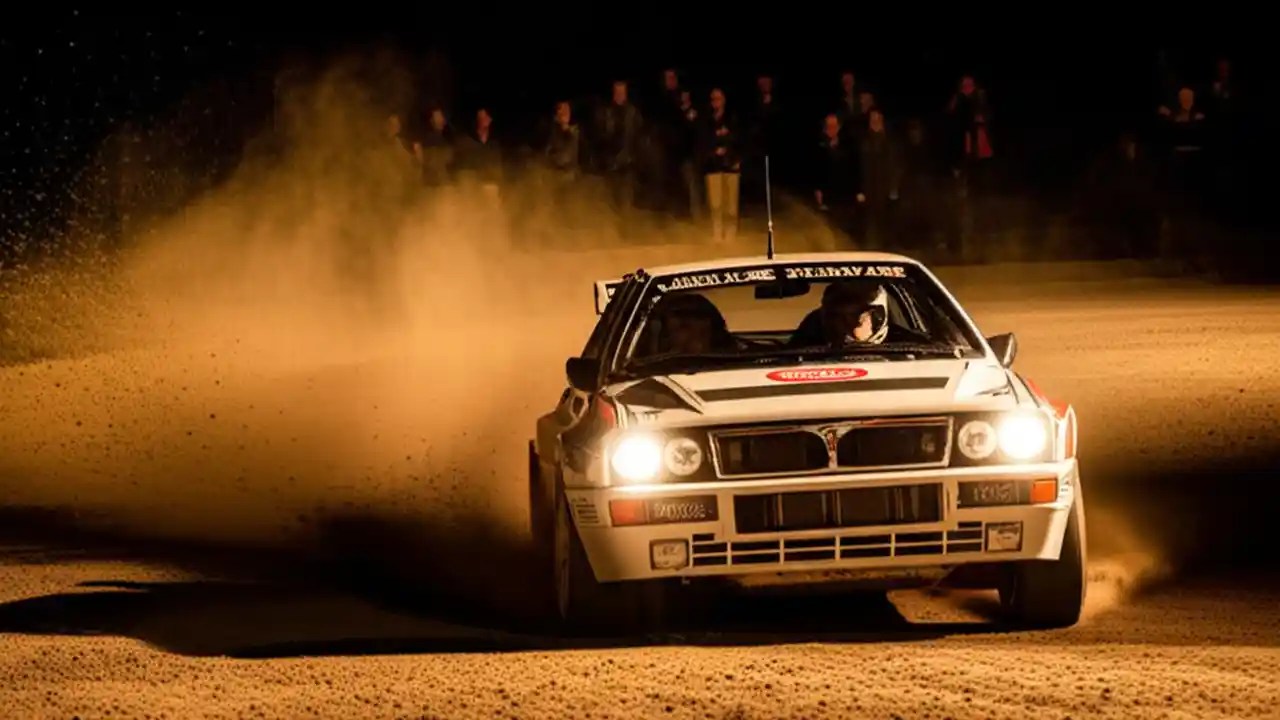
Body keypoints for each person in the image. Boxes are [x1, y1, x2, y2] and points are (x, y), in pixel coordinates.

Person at [788, 280, 890, 347]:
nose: (842, 324)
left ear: (877, 318)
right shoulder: (814, 326)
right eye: (838, 315)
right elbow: (791, 356)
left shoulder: (896, 340)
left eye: (855, 315)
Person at [699, 87, 741, 243]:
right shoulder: (706, 120)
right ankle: (717, 231)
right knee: (716, 203)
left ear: (724, 100)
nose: (715, 102)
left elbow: (738, 139)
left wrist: (729, 151)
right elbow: (702, 141)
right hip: (713, 166)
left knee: (731, 204)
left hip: (731, 165)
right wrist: (713, 151)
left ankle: (731, 232)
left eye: (718, 98)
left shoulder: (732, 119)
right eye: (713, 99)